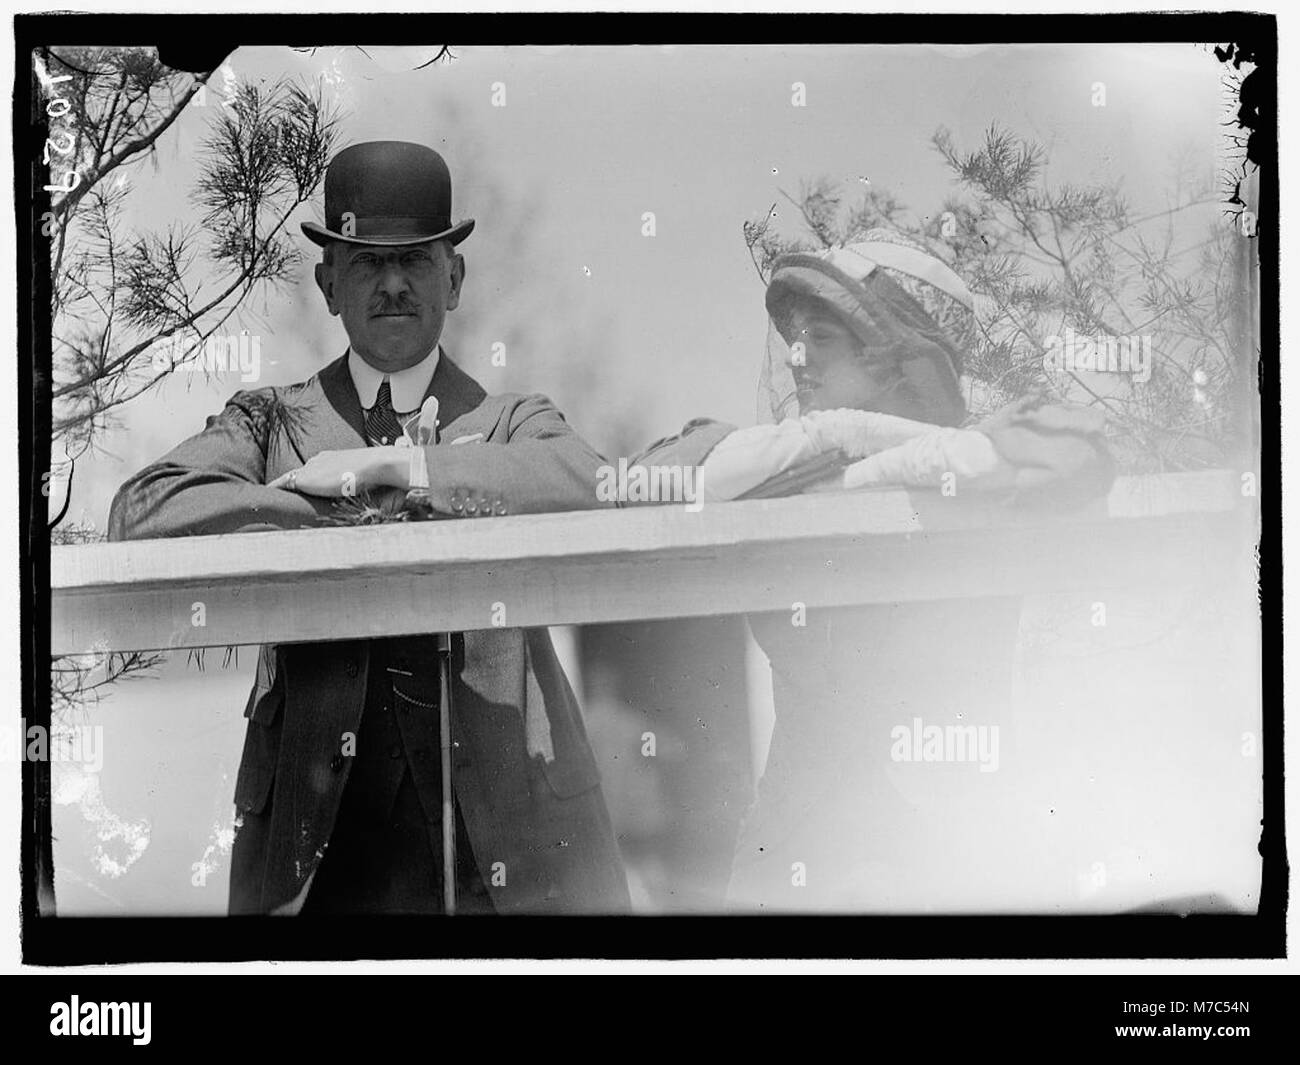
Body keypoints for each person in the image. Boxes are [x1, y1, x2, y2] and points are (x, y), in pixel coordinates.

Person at [108, 141, 630, 916]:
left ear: (454, 278)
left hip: (506, 851)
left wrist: (412, 475)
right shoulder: (271, 422)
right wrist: (328, 505)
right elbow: (142, 510)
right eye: (363, 263)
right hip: (316, 862)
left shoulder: (510, 421)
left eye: (416, 260)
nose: (391, 283)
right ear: (327, 284)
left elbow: (593, 485)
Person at [625, 229, 1113, 911]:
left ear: (902, 360)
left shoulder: (978, 468)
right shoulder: (782, 466)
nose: (797, 360)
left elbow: (1074, 454)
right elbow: (647, 477)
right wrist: (828, 440)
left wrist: (883, 450)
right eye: (794, 339)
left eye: (823, 338)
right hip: (797, 854)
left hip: (955, 853)